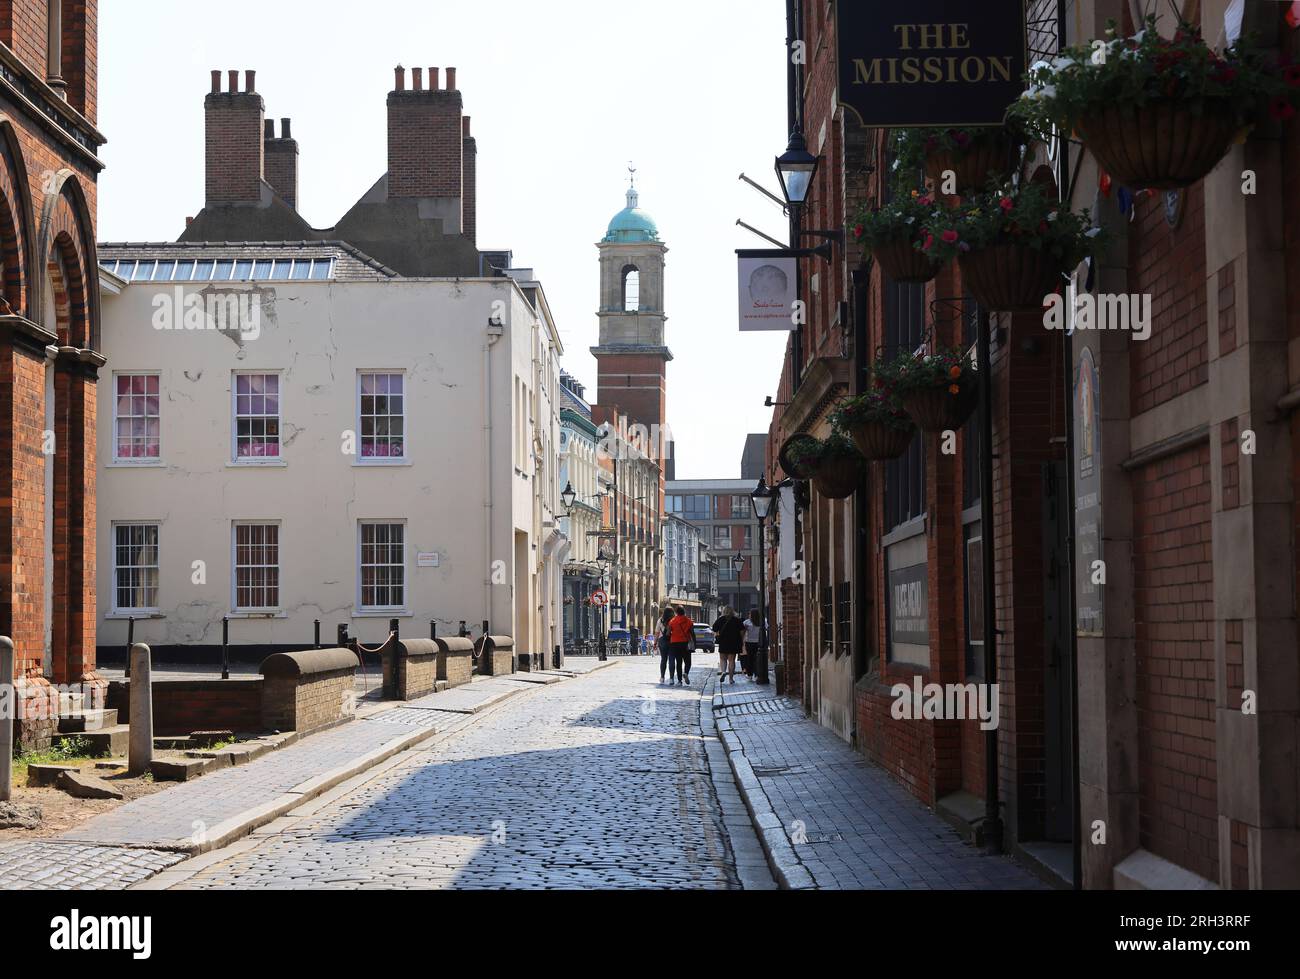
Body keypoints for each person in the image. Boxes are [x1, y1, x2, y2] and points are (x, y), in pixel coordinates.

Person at [712, 606, 744, 684]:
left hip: (723, 642)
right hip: (734, 642)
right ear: (732, 611)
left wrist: (718, 634)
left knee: (723, 659)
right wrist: (741, 639)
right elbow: (742, 631)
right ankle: (731, 679)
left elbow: (714, 629)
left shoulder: (720, 619)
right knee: (731, 660)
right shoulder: (737, 620)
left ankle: (723, 671)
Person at [668, 605, 694, 686]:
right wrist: (694, 644)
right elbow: (692, 633)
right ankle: (686, 672)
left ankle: (679, 681)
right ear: (684, 611)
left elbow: (668, 633)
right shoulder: (689, 621)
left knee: (678, 662)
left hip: (675, 643)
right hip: (685, 643)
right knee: (688, 661)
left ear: (676, 612)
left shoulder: (672, 621)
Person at [742, 609, 763, 679]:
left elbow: (743, 632)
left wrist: (742, 641)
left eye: (750, 614)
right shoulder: (762, 621)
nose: (749, 615)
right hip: (758, 642)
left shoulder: (746, 622)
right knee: (756, 659)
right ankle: (756, 674)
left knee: (750, 658)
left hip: (749, 642)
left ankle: (750, 674)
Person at [657, 606, 674, 683]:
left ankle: (662, 677)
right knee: (671, 659)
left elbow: (657, 632)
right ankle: (671, 679)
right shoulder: (674, 620)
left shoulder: (660, 620)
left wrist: (654, 642)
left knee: (663, 659)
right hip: (672, 641)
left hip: (662, 641)